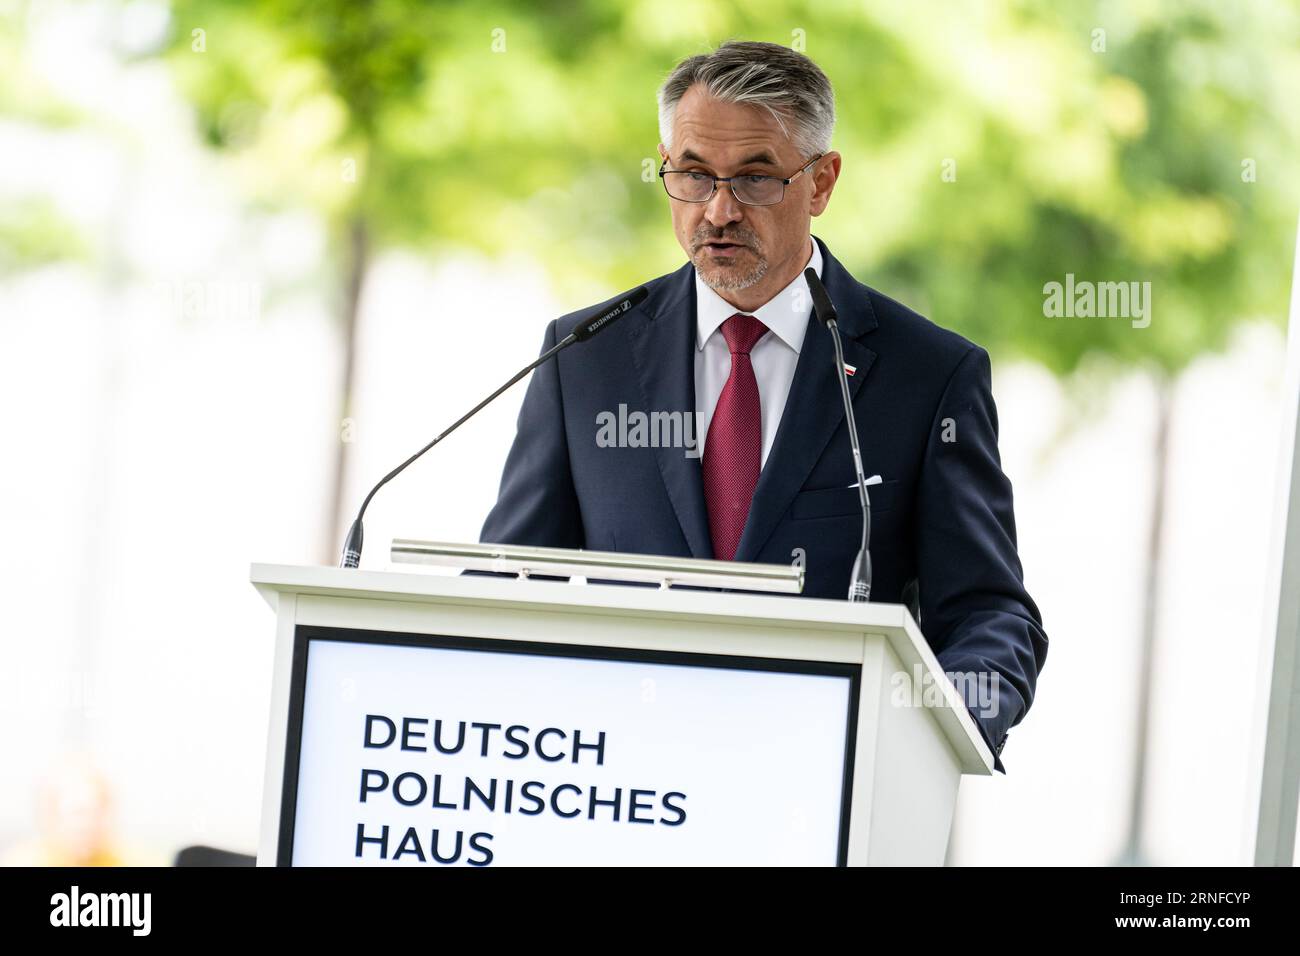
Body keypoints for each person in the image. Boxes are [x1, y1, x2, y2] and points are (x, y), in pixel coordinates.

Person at [479, 40, 1047, 772]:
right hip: (617, 787)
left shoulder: (929, 375)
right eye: (692, 175)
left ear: (822, 181)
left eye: (753, 179)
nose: (717, 210)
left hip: (823, 788)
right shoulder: (584, 357)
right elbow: (509, 587)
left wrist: (933, 740)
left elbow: (989, 615)